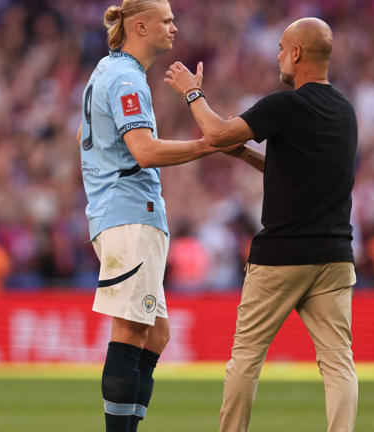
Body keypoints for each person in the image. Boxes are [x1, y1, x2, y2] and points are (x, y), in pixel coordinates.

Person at [165, 17, 359, 432]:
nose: (277, 56)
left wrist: (192, 92)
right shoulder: (345, 112)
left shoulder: (285, 105)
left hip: (282, 257)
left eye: (281, 47)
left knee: (247, 358)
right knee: (339, 362)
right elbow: (296, 171)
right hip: (334, 257)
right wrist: (246, 157)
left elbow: (216, 133)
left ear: (297, 53)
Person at [78, 1, 241, 431]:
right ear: (141, 26)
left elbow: (87, 135)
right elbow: (145, 150)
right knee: (131, 330)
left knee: (156, 333)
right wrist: (210, 144)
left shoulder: (105, 71)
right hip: (129, 213)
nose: (175, 27)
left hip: (120, 211)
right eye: (167, 21)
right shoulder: (127, 78)